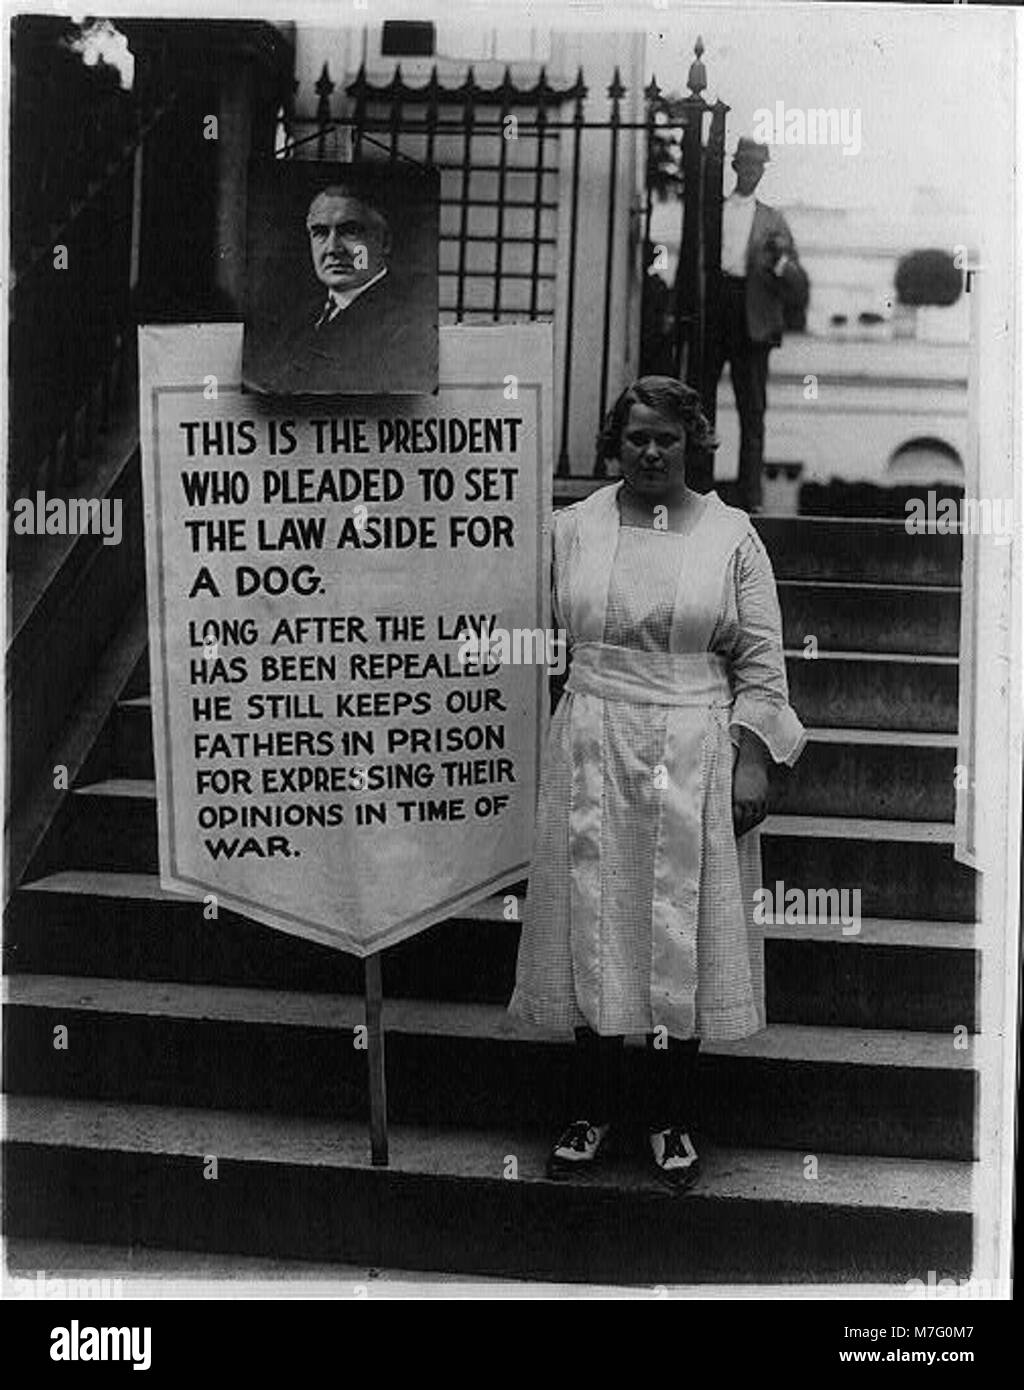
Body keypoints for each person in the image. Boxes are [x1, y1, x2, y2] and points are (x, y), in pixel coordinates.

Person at [509, 376, 806, 1191]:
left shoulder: (731, 536)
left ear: (692, 443)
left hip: (695, 746)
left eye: (665, 439)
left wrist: (752, 759)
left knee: (682, 926)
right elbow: (525, 631)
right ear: (617, 441)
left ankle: (671, 1117)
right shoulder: (572, 530)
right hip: (593, 738)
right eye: (636, 436)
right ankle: (592, 1109)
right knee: (593, 921)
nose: (649, 451)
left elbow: (762, 664)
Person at [243, 183, 436, 396]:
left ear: (384, 242)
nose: (333, 249)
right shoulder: (303, 315)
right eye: (320, 233)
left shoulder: (408, 323)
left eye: (350, 231)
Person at [702, 138, 809, 512]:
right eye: (746, 165)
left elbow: (797, 283)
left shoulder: (773, 219)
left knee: (753, 412)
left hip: (755, 318)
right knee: (699, 404)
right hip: (716, 310)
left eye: (758, 167)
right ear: (734, 167)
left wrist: (779, 263)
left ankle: (751, 499)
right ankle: (698, 488)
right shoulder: (713, 211)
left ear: (764, 171)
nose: (751, 172)